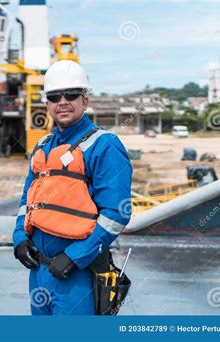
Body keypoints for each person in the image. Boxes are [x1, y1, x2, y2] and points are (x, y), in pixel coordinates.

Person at [13, 60, 132, 315]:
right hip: (39, 273)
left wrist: (76, 256)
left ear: (85, 101)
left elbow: (117, 213)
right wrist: (20, 240)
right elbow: (26, 202)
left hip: (77, 275)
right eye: (55, 96)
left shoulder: (105, 146)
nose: (63, 101)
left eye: (72, 94)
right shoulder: (43, 146)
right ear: (47, 103)